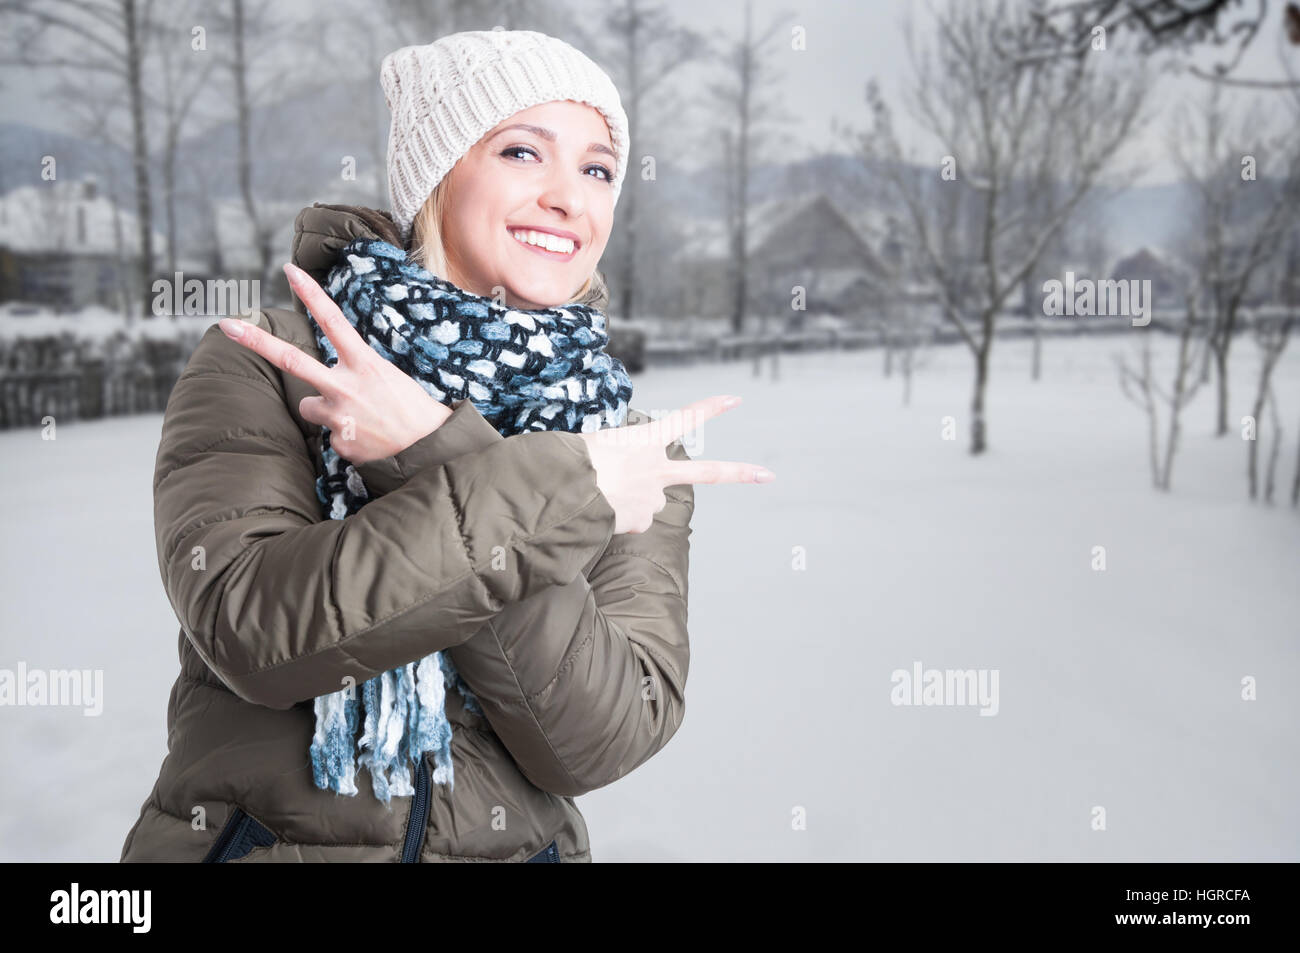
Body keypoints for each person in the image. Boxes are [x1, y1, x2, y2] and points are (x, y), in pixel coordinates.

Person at [119, 29, 772, 863]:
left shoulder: (620, 446)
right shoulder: (275, 360)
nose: (569, 197)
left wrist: (432, 451)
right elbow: (252, 630)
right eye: (523, 151)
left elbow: (597, 738)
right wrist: (548, 494)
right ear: (436, 173)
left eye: (598, 168)